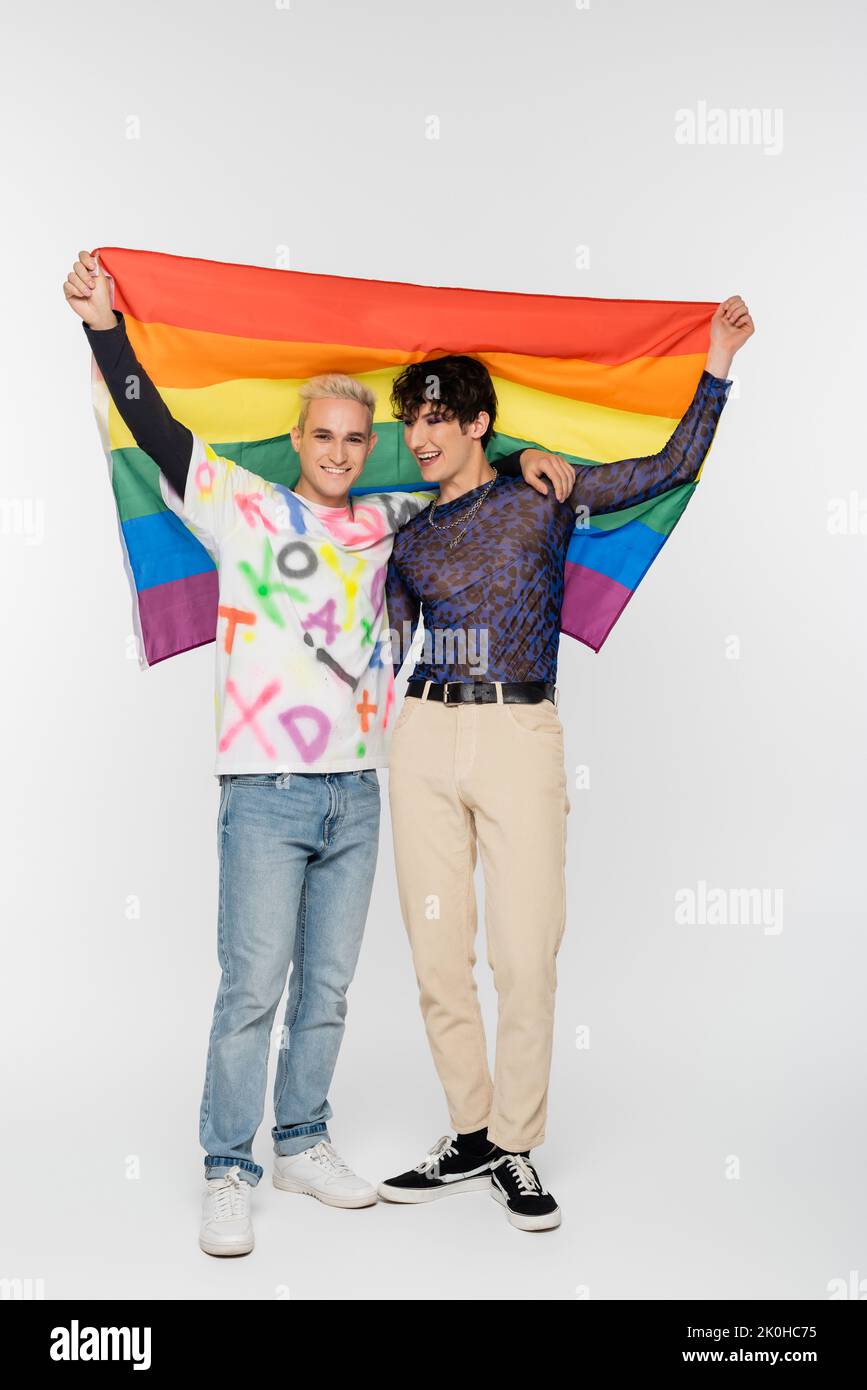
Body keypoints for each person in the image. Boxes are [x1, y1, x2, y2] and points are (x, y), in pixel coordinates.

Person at [63, 249, 558, 1256]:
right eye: (322, 436)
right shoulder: (237, 504)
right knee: (253, 986)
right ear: (296, 440)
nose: (339, 451)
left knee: (328, 988)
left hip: (361, 788)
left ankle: (301, 1139)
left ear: (368, 445)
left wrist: (521, 462)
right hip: (264, 785)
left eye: (353, 437)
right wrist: (105, 332)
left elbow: (470, 486)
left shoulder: (391, 517)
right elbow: (155, 424)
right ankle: (226, 1165)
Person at [378, 298, 755, 1230]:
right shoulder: (408, 535)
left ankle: (515, 1142)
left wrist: (717, 361)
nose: (419, 434)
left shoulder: (540, 493)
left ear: (477, 423)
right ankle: (468, 1131)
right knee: (436, 956)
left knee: (524, 952)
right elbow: (382, 642)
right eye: (410, 419)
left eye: (436, 417)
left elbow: (668, 467)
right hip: (421, 735)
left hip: (517, 738)